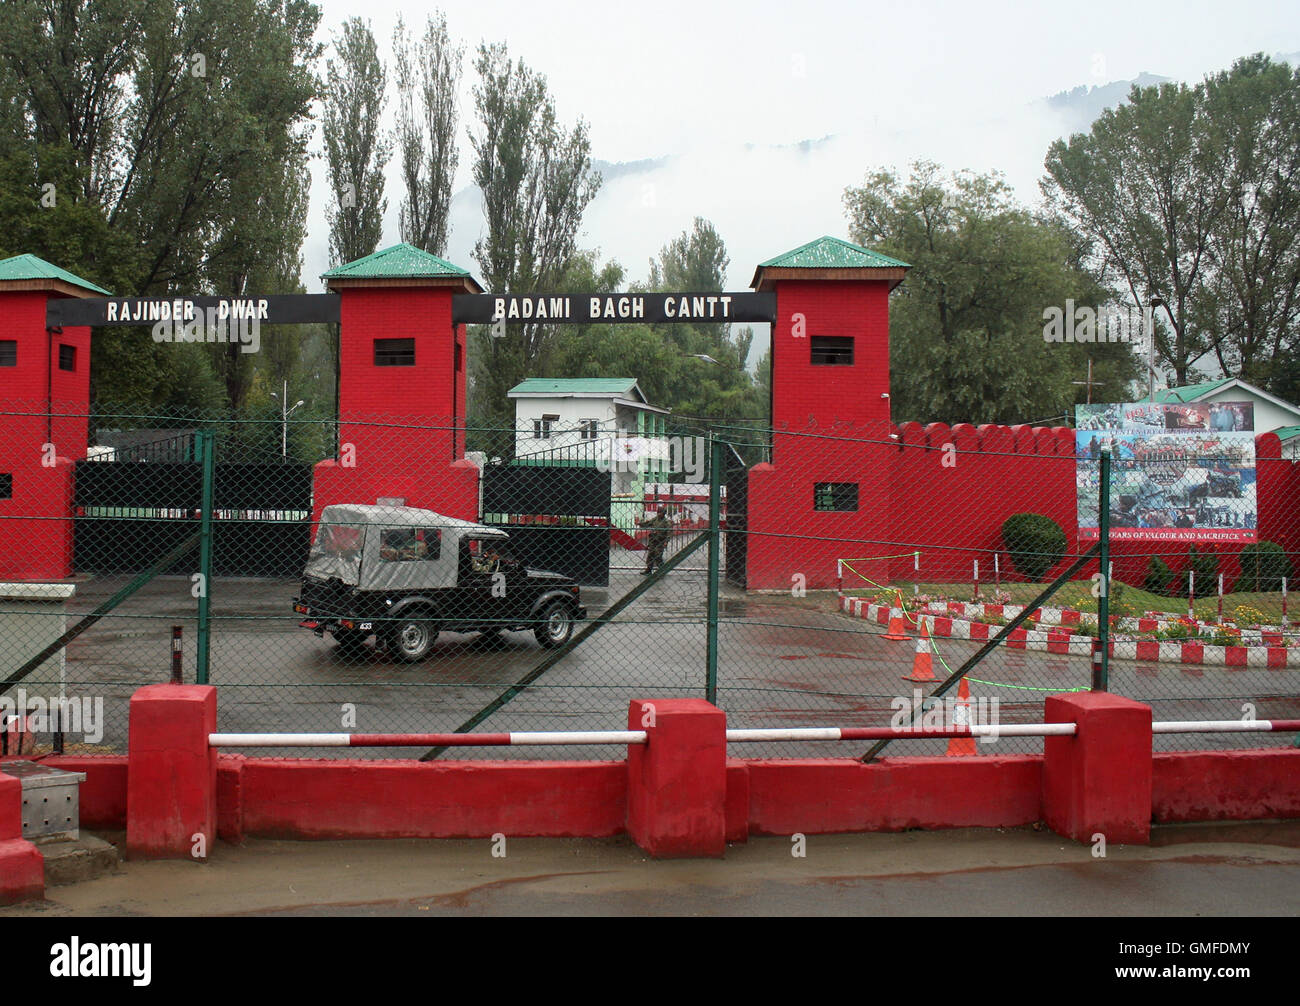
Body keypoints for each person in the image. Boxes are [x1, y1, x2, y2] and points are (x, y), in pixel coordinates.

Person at [638, 507, 673, 575]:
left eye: (660, 513)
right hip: (653, 540)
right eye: (658, 512)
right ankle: (648, 570)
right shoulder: (655, 519)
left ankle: (662, 570)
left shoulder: (666, 522)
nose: (659, 514)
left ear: (663, 514)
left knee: (658, 555)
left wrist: (666, 542)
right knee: (650, 555)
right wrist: (641, 524)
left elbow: (669, 532)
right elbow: (648, 523)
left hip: (660, 541)